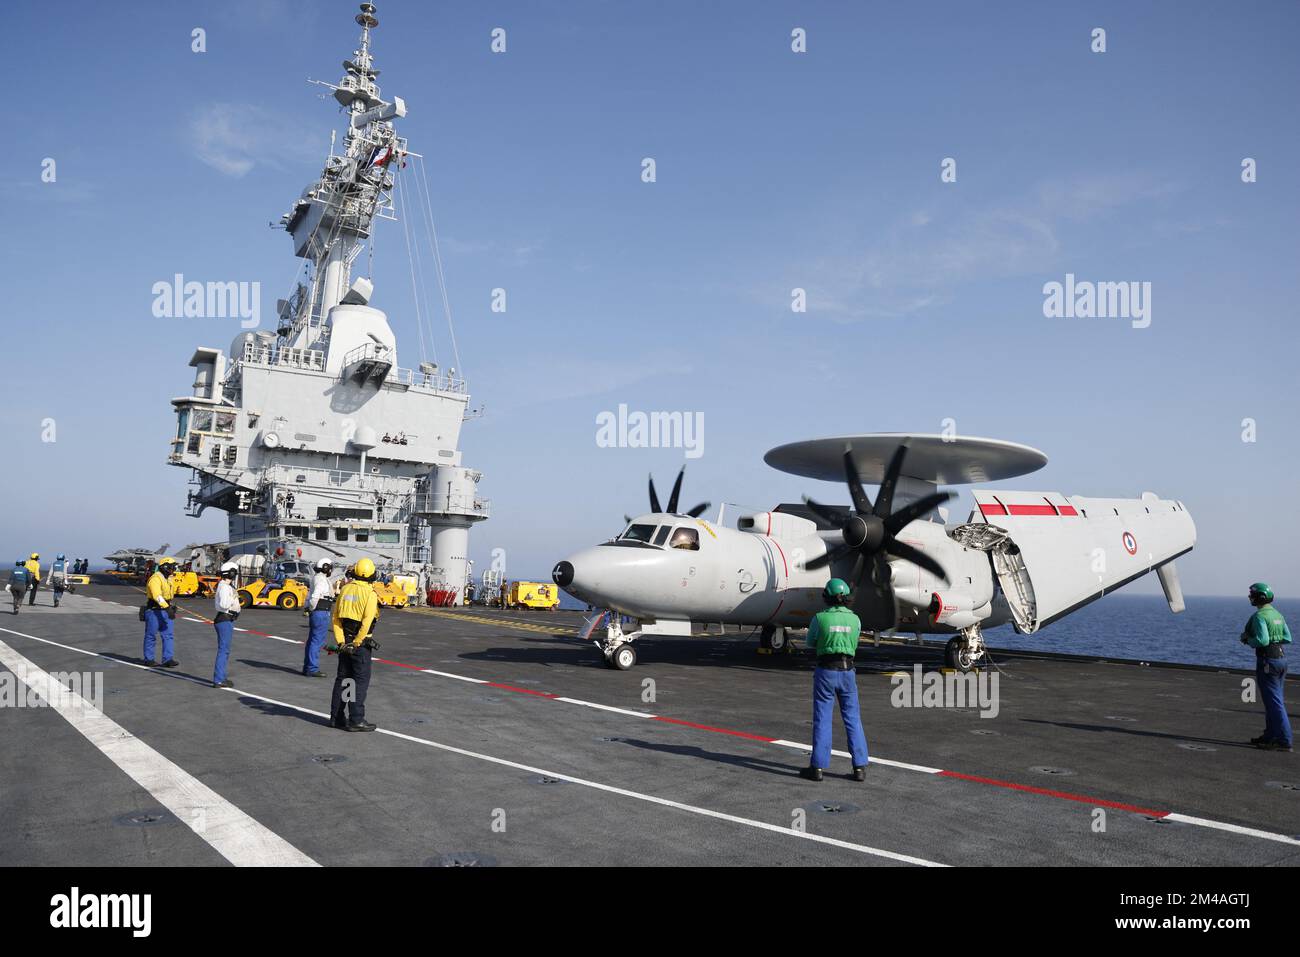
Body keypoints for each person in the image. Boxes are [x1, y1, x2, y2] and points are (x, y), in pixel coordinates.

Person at [801, 578, 870, 782]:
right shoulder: (855, 619)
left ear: (827, 597)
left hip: (826, 671)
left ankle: (818, 768)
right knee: (852, 718)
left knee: (822, 718)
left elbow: (810, 643)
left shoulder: (820, 618)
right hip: (848, 671)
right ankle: (859, 767)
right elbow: (855, 643)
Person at [329, 557, 379, 732]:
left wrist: (342, 642)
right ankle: (356, 719)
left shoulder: (345, 589)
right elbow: (366, 622)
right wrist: (357, 643)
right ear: (372, 574)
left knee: (344, 680)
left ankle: (337, 717)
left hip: (345, 643)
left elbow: (335, 618)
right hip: (360, 646)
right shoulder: (370, 594)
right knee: (359, 681)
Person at [1241, 582, 1292, 751]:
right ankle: (1270, 735)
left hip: (1268, 661)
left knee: (1274, 702)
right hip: (1281, 659)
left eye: (1252, 595)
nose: (1251, 597)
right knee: (1274, 700)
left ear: (1259, 597)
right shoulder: (1277, 614)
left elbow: (1262, 640)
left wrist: (1248, 640)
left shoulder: (1260, 616)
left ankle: (1284, 740)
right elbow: (1287, 637)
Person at [142, 557, 180, 668]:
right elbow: (157, 595)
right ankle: (149, 659)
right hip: (154, 610)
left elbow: (168, 595)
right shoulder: (156, 578)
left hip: (165, 608)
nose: (174, 569)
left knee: (168, 635)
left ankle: (167, 659)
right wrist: (167, 607)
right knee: (151, 635)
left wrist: (170, 607)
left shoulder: (169, 578)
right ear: (165, 567)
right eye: (172, 566)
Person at [211, 561, 240, 688]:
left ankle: (221, 676)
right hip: (224, 619)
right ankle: (218, 679)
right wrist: (233, 598)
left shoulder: (226, 586)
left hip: (227, 619)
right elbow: (224, 605)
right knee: (223, 650)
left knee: (225, 650)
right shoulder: (224, 587)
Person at [303, 559, 334, 677]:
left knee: (312, 641)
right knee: (317, 642)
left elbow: (309, 596)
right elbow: (315, 597)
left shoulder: (317, 578)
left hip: (318, 612)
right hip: (321, 612)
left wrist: (309, 609)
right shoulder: (321, 580)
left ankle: (308, 667)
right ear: (326, 567)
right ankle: (312, 668)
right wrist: (311, 608)